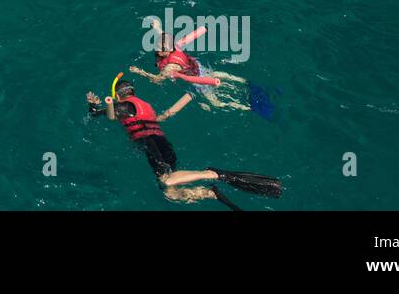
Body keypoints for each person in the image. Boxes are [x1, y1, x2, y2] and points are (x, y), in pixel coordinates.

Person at [86, 77, 282, 210]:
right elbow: (163, 117)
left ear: (119, 95)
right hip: (164, 144)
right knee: (170, 193)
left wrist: (98, 105)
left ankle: (211, 173)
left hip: (151, 144)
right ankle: (209, 194)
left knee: (167, 181)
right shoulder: (145, 106)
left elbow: (106, 116)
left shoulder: (123, 105)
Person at [129, 19, 250, 111]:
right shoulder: (173, 45)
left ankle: (241, 106)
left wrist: (139, 72)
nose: (157, 48)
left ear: (167, 50)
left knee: (215, 102)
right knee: (211, 74)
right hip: (197, 66)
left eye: (160, 48)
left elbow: (157, 80)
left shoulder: (170, 67)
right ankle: (240, 80)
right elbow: (164, 36)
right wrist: (157, 27)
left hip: (197, 81)